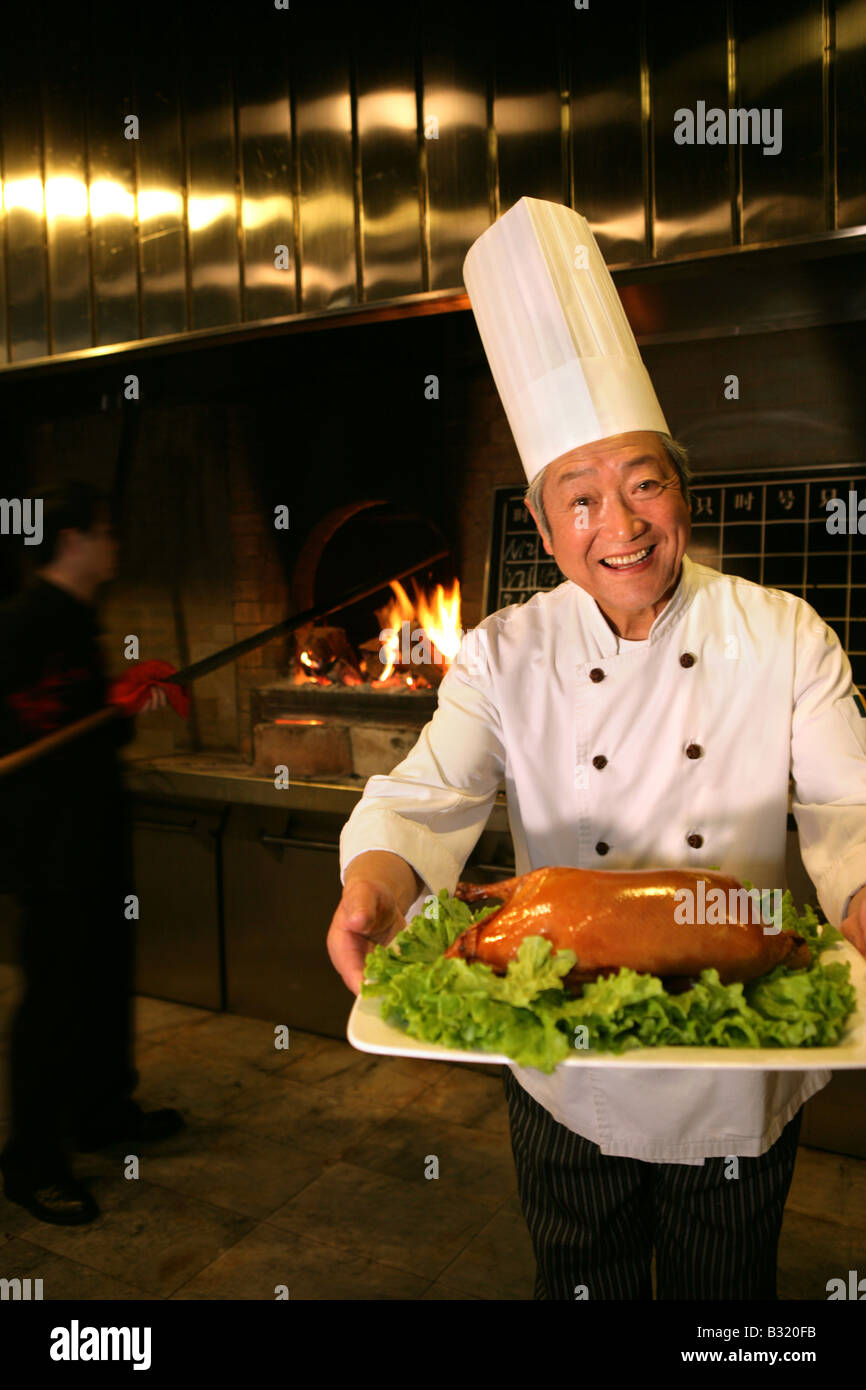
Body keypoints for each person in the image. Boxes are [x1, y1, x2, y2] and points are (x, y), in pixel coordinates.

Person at [327, 198, 866, 1300]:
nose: (618, 523)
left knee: (727, 1299)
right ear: (541, 520)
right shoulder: (500, 652)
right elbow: (429, 795)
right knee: (582, 1281)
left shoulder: (782, 632)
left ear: (679, 487)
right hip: (564, 1068)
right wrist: (377, 881)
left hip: (734, 1068)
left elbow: (849, 813)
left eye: (643, 482)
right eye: (580, 497)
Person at [0, 480, 184, 1226]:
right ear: (72, 539)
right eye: (105, 532)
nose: (115, 545)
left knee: (107, 976)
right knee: (55, 997)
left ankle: (103, 1111)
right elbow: (27, 725)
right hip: (48, 847)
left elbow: (74, 714)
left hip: (95, 830)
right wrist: (103, 714)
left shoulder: (78, 618)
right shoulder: (20, 621)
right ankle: (31, 1160)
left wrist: (116, 706)